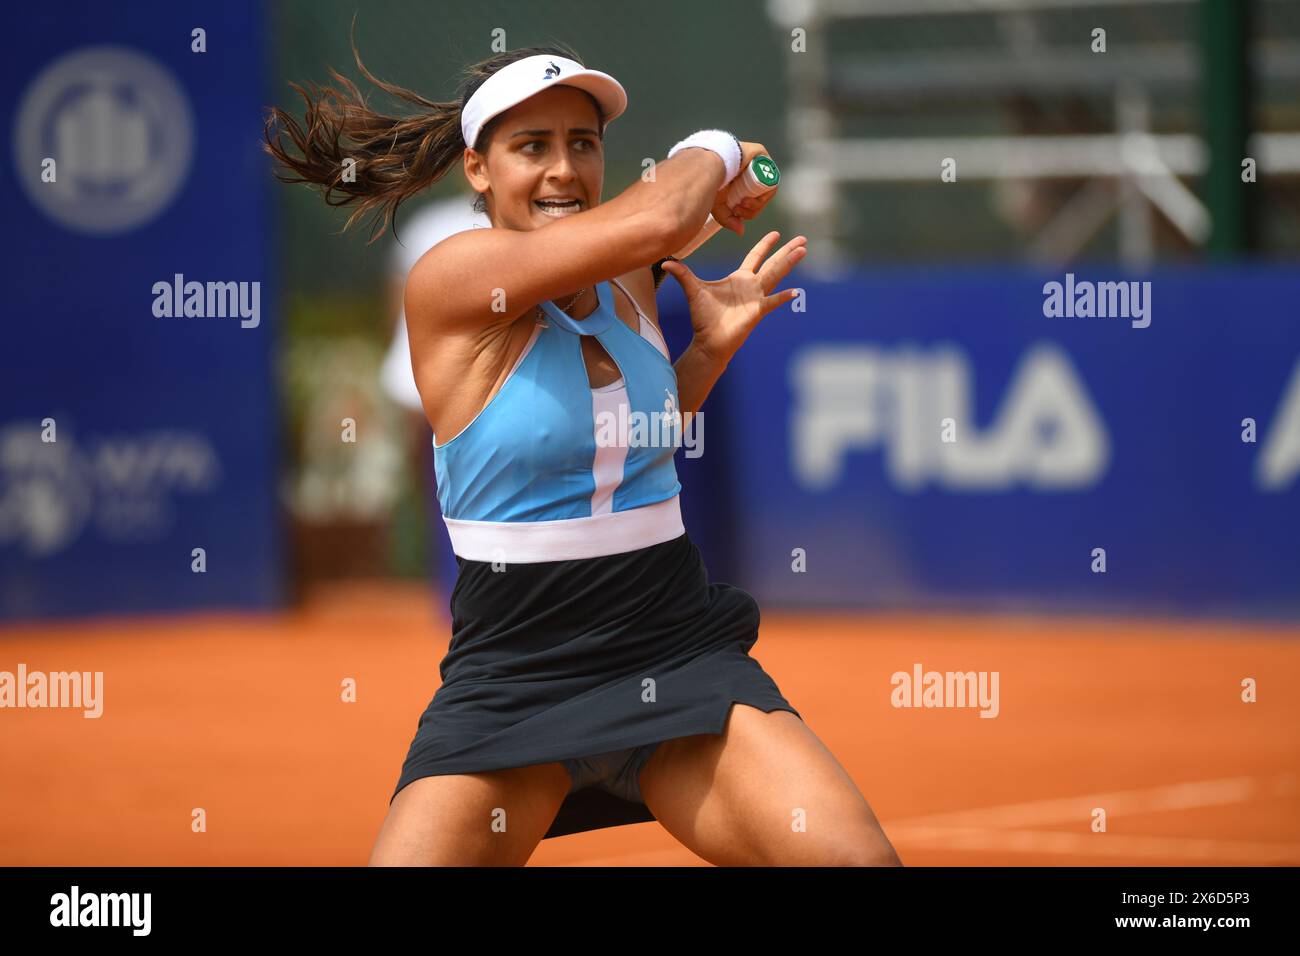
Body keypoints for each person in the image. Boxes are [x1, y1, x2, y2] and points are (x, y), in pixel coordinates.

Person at [265, 40, 901, 867]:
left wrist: (704, 354)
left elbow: (625, 451)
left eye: (582, 144)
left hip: (672, 652)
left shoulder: (629, 277)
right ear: (478, 171)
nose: (563, 169)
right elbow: (681, 205)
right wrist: (713, 151)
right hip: (513, 682)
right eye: (532, 147)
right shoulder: (453, 279)